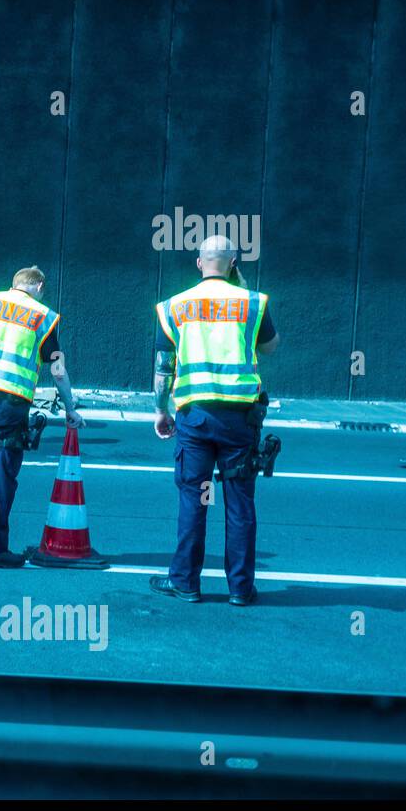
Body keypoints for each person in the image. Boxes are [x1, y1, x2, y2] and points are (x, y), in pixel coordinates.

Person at [150, 235, 279, 607]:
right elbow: (270, 346)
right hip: (239, 420)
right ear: (233, 262)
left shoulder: (175, 306)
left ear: (199, 263)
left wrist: (161, 410)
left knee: (196, 497)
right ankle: (240, 588)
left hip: (195, 420)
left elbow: (163, 368)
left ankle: (186, 582)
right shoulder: (252, 302)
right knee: (240, 503)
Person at [0, 265, 83, 568]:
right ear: (37, 285)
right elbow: (57, 369)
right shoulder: (42, 316)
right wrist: (70, 407)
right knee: (4, 474)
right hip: (11, 405)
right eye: (43, 288)